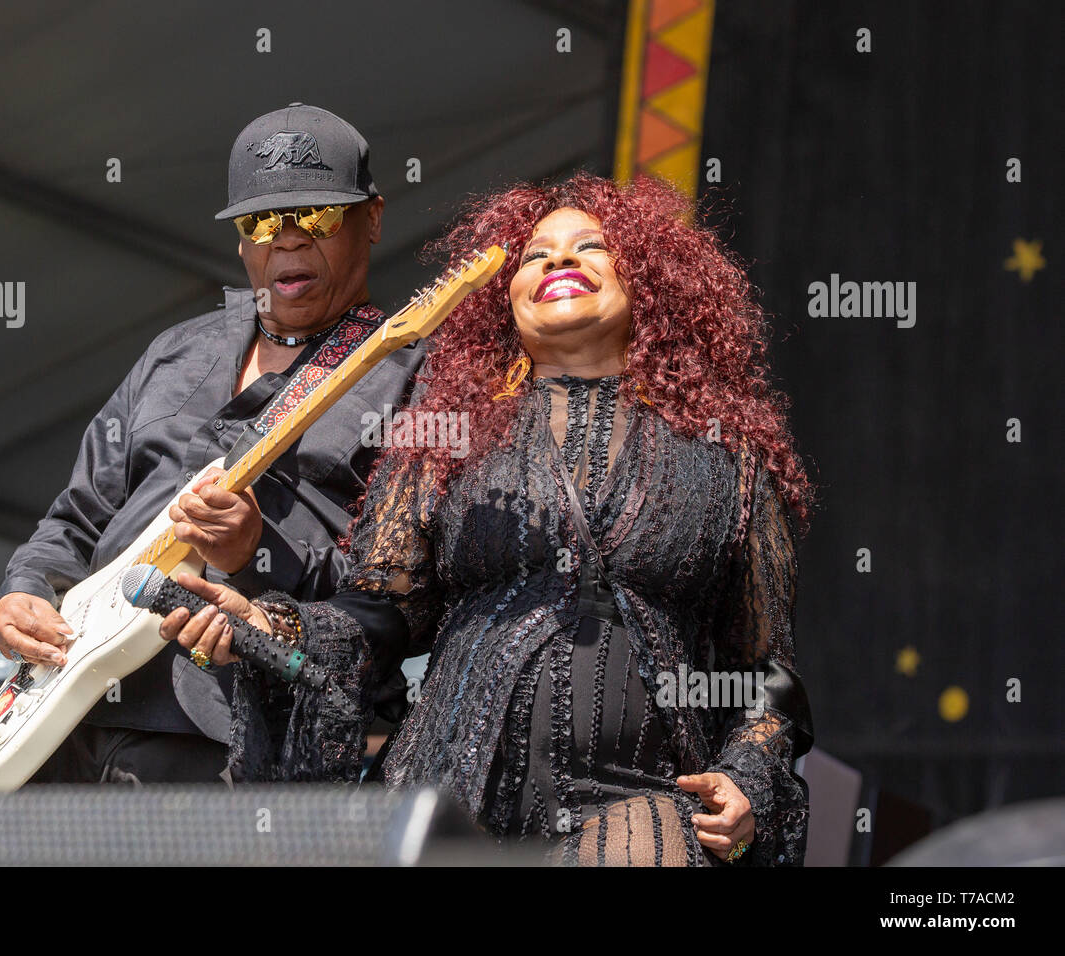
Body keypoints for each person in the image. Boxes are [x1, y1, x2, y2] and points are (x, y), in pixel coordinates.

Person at [162, 171, 816, 866]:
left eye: (591, 246)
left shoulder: (729, 457)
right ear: (502, 301)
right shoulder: (444, 439)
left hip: (641, 796)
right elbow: (382, 614)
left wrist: (749, 773)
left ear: (651, 281)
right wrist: (277, 624)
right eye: (536, 255)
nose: (559, 260)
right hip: (452, 782)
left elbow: (765, 670)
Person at [0, 104, 424, 784]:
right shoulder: (176, 354)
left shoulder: (412, 375)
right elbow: (73, 520)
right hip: (65, 719)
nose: (286, 240)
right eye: (259, 222)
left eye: (315, 216)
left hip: (235, 740)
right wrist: (21, 595)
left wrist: (256, 559)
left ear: (371, 218)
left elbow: (398, 605)